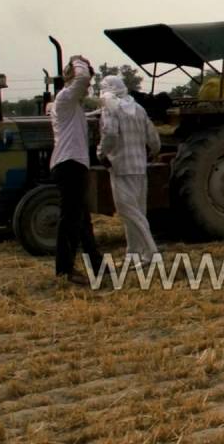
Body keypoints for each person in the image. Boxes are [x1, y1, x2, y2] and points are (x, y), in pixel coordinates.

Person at [97, 75, 161, 266]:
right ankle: (133, 255)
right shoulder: (138, 109)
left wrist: (101, 153)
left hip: (121, 167)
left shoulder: (111, 108)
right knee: (137, 213)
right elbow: (153, 137)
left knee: (129, 213)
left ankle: (151, 253)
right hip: (139, 167)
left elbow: (110, 133)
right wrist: (154, 152)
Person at [51, 55, 103, 286]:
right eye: (87, 81)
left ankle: (97, 265)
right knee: (71, 220)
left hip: (73, 164)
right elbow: (81, 78)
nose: (88, 85)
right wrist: (78, 62)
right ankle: (64, 270)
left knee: (82, 220)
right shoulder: (65, 97)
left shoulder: (72, 105)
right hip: (70, 164)